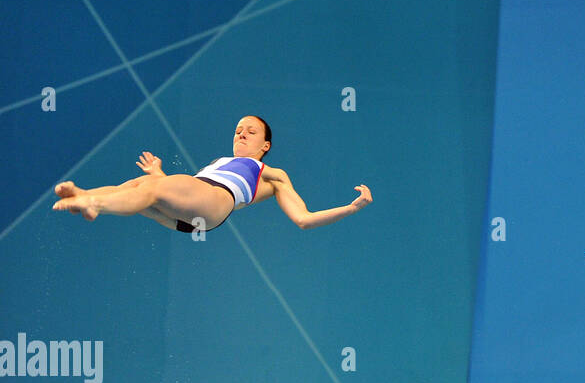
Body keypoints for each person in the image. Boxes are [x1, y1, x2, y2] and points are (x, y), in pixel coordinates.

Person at [52, 115, 372, 233]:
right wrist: (160, 173)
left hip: (217, 204)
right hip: (193, 217)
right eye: (237, 131)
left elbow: (304, 219)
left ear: (266, 145)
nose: (241, 135)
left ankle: (93, 203)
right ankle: (83, 196)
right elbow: (185, 195)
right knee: (141, 185)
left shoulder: (271, 173)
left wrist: (351, 208)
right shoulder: (221, 163)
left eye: (250, 132)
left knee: (152, 188)